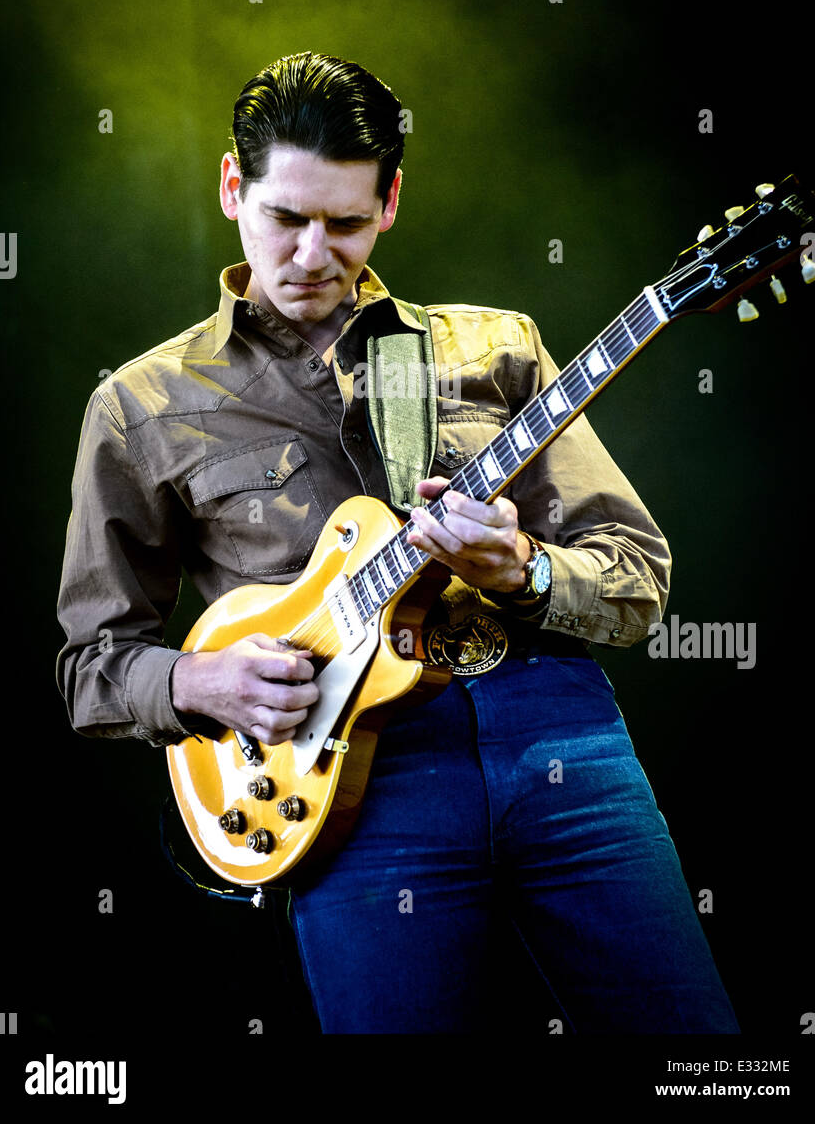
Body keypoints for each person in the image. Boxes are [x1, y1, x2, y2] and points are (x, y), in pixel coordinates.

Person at [57, 51, 740, 1034]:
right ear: (231, 187)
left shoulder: (493, 347)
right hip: (354, 784)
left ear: (389, 203)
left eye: (344, 221)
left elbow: (633, 577)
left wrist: (526, 570)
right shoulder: (140, 404)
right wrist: (198, 686)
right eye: (285, 219)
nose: (311, 252)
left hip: (560, 739)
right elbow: (90, 664)